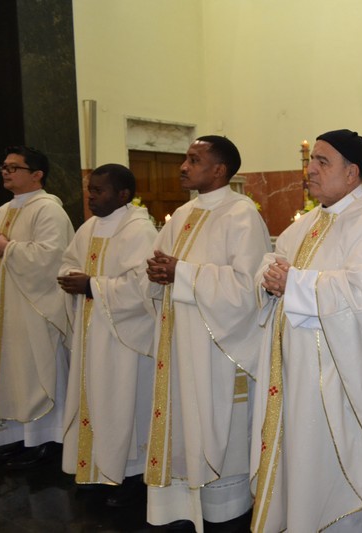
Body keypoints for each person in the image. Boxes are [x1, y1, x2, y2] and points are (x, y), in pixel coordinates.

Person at [251, 129, 362, 532]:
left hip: (346, 385)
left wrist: (294, 283)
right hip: (299, 382)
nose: (310, 171)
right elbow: (276, 260)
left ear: (352, 173)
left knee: (342, 480)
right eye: (310, 161)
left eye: (322, 162)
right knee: (303, 471)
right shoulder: (308, 223)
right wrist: (268, 276)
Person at [142, 135, 271, 532]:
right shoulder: (181, 214)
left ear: (219, 170)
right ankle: (181, 505)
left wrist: (182, 273)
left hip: (217, 348)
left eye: (194, 159)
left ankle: (224, 509)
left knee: (215, 426)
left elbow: (246, 288)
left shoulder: (241, 214)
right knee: (180, 421)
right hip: (181, 344)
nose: (183, 166)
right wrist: (157, 273)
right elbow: (161, 264)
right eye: (185, 158)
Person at [58, 164, 157, 505]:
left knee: (120, 399)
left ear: (123, 194)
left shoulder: (139, 231)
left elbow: (143, 287)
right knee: (93, 395)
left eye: (98, 191)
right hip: (91, 331)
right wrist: (70, 277)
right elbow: (68, 260)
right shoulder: (88, 227)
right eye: (90, 190)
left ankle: (126, 471)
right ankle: (93, 466)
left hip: (122, 338)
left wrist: (92, 285)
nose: (90, 197)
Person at [0, 146, 74, 467]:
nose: (6, 171)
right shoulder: (2, 211)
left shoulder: (48, 210)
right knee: (14, 373)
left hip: (36, 309)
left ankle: (47, 439)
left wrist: (6, 248)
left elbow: (52, 257)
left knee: (36, 371)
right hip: (7, 310)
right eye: (4, 166)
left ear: (36, 175)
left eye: (14, 167)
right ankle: (17, 436)